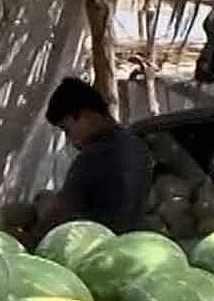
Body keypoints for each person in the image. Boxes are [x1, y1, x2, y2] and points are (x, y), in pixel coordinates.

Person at [38, 76, 153, 233]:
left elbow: (58, 218)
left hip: (97, 246)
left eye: (67, 130)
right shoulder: (137, 145)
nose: (71, 141)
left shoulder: (95, 156)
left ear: (83, 114)